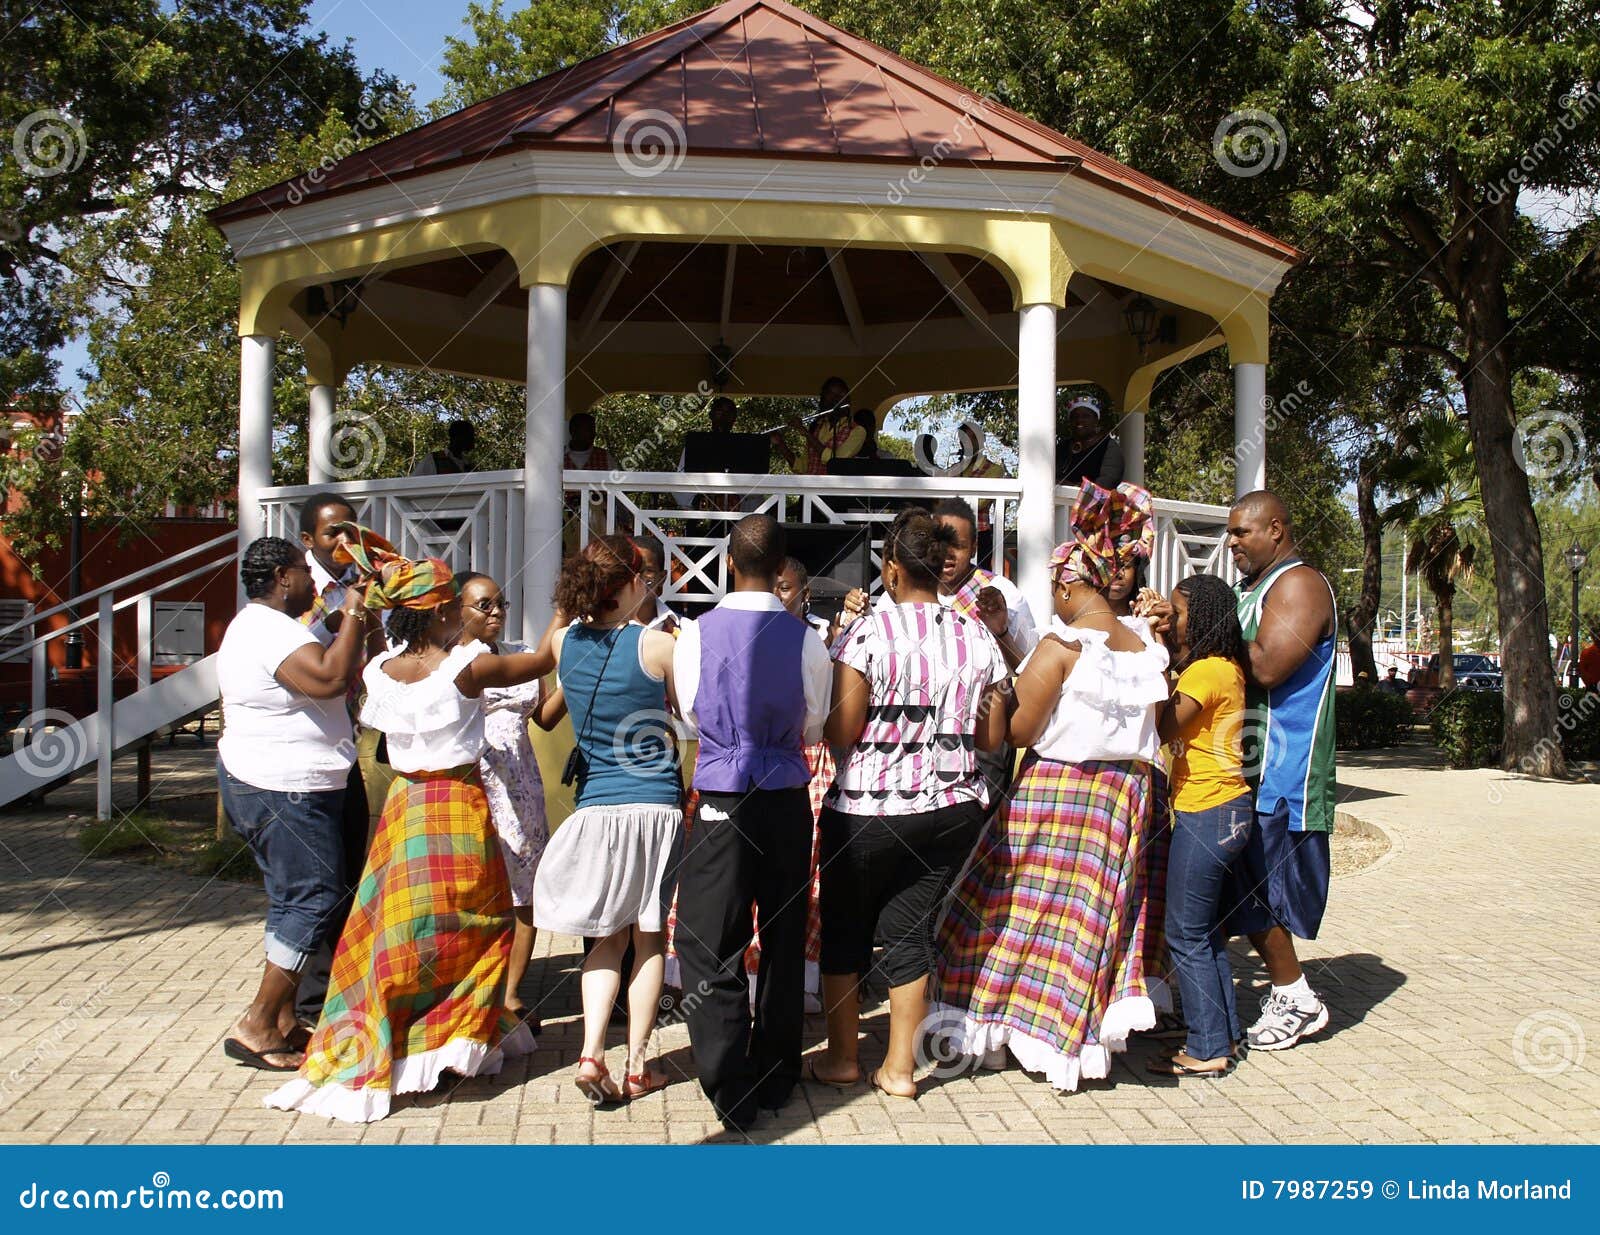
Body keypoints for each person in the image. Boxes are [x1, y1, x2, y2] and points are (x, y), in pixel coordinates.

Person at [266, 532, 557, 1121]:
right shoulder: (466, 667)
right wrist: (566, 606)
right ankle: (438, 1038)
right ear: (441, 612)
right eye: (455, 603)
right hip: (456, 804)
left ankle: (416, 1038)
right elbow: (545, 659)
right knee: (472, 927)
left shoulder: (378, 670)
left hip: (404, 807)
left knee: (398, 931)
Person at [935, 481, 1170, 1091]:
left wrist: (991, 694)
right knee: (1085, 925)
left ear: (1069, 586)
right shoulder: (1146, 645)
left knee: (1004, 914)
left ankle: (1000, 1022)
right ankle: (1062, 1036)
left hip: (1055, 798)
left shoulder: (1063, 645)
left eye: (1055, 591)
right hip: (1121, 804)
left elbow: (1015, 732)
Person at [806, 508, 1008, 1100]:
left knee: (845, 933)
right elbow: (995, 737)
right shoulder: (976, 634)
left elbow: (842, 732)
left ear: (892, 572)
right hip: (951, 810)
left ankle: (844, 1059)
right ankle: (898, 1069)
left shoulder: (866, 633)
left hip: (866, 811)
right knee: (910, 932)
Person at [1149, 490, 1336, 1051]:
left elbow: (1268, 666)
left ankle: (1296, 994)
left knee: (1267, 891)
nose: (1231, 544)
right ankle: (1277, 994)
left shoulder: (1299, 584)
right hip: (1243, 771)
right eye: (1229, 534)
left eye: (1241, 533)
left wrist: (1194, 629)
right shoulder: (1256, 589)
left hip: (1286, 768)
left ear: (1276, 529)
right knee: (1240, 892)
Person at [672, 515, 831, 1131]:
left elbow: (690, 715)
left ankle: (729, 1079)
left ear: (729, 563)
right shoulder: (807, 639)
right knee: (786, 935)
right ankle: (775, 1074)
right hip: (787, 794)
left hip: (722, 795)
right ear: (782, 565)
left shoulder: (696, 634)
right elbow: (814, 724)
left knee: (711, 940)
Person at [531, 535, 681, 1105]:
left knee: (605, 937)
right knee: (649, 938)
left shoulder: (564, 641)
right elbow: (691, 714)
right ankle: (639, 1063)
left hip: (596, 807)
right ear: (634, 582)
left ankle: (591, 1051)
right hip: (655, 804)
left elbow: (548, 702)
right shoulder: (658, 645)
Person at [217, 537, 369, 1072]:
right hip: (282, 789)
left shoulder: (271, 627)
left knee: (294, 901)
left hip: (291, 785)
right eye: (305, 572)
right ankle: (257, 1023)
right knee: (313, 898)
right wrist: (352, 612)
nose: (313, 580)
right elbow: (328, 679)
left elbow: (315, 652)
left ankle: (280, 1020)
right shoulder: (264, 628)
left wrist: (339, 622)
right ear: (284, 577)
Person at [1146, 573, 1252, 1079]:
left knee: (1185, 932)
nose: (1172, 620)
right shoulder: (1225, 667)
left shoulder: (1205, 671)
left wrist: (1155, 649)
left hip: (1207, 810)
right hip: (1228, 811)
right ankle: (1223, 1033)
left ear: (1203, 618)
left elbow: (1166, 726)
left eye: (1179, 613)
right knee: (1205, 932)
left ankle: (1208, 1047)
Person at [294, 494, 388, 1025]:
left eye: (352, 531)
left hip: (341, 748)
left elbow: (373, 659)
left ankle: (334, 989)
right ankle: (304, 1001)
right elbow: (318, 663)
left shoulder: (360, 584)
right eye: (333, 534)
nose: (346, 542)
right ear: (308, 541)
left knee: (349, 871)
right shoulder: (297, 592)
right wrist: (347, 609)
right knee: (316, 884)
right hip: (298, 761)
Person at [457, 572, 549, 1029]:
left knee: (526, 893)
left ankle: (511, 995)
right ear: (456, 610)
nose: (495, 612)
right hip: (478, 784)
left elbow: (545, 717)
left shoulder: (515, 655)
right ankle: (477, 993)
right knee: (480, 893)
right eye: (483, 605)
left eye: (501, 604)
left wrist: (575, 677)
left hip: (523, 785)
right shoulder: (453, 663)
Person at [1056, 395, 1124, 488]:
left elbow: (1107, 483)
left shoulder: (1109, 447)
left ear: (1096, 421)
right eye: (1075, 416)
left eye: (1086, 416)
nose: (1079, 420)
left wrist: (1075, 487)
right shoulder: (1062, 446)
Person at [636, 539, 682, 634]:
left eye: (648, 570)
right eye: (632, 570)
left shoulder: (682, 628)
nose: (637, 578)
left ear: (662, 578)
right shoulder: (607, 627)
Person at [411, 419, 476, 476]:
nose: (473, 440)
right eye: (470, 436)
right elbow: (412, 483)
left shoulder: (467, 464)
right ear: (456, 437)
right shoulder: (433, 459)